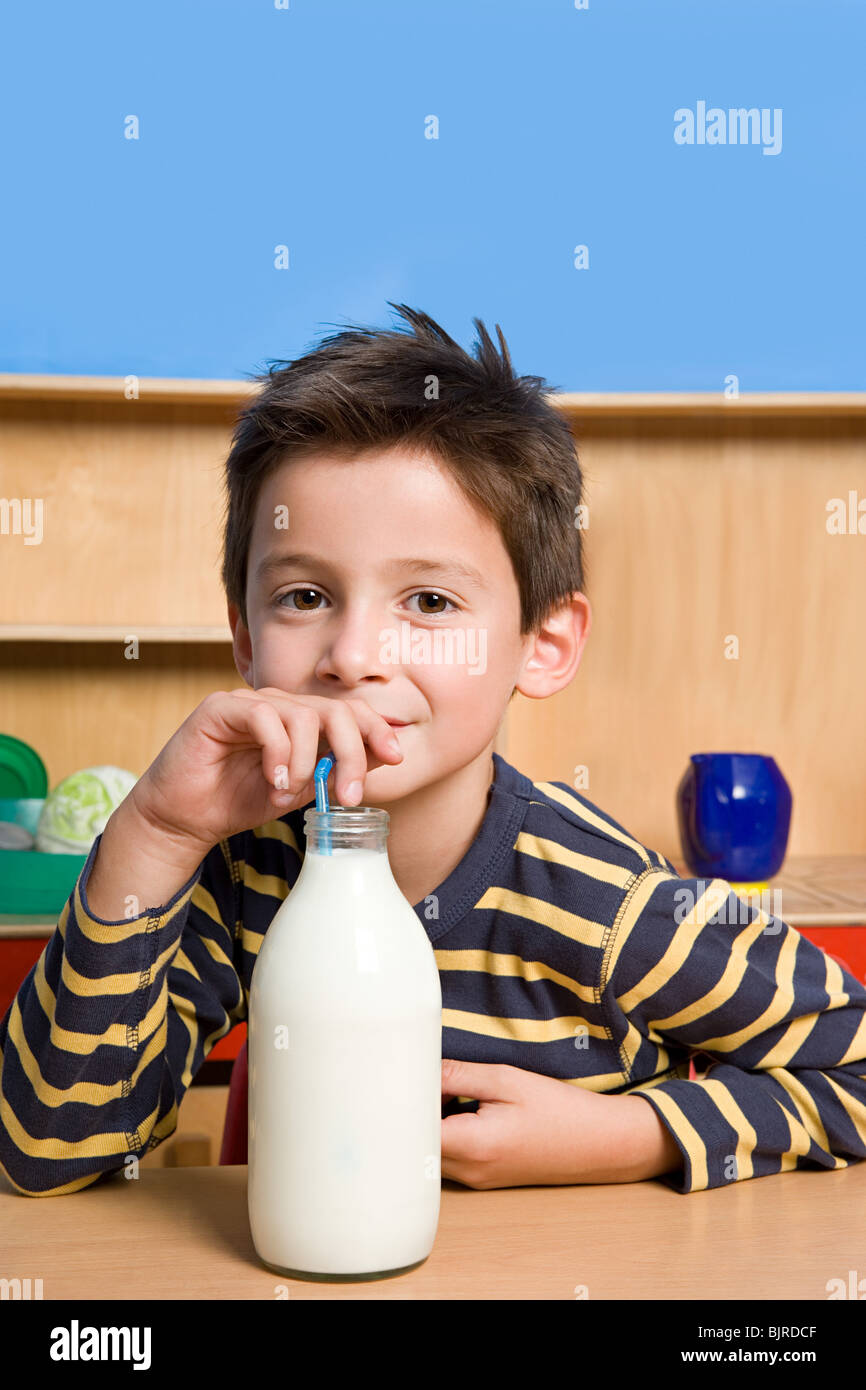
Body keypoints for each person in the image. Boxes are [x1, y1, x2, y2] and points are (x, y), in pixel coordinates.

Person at [2, 304, 864, 1198]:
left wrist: (629, 1135)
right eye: (304, 596)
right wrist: (154, 830)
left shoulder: (616, 908)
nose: (354, 655)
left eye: (430, 603)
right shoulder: (238, 869)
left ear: (544, 644)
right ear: (246, 638)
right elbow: (48, 1153)